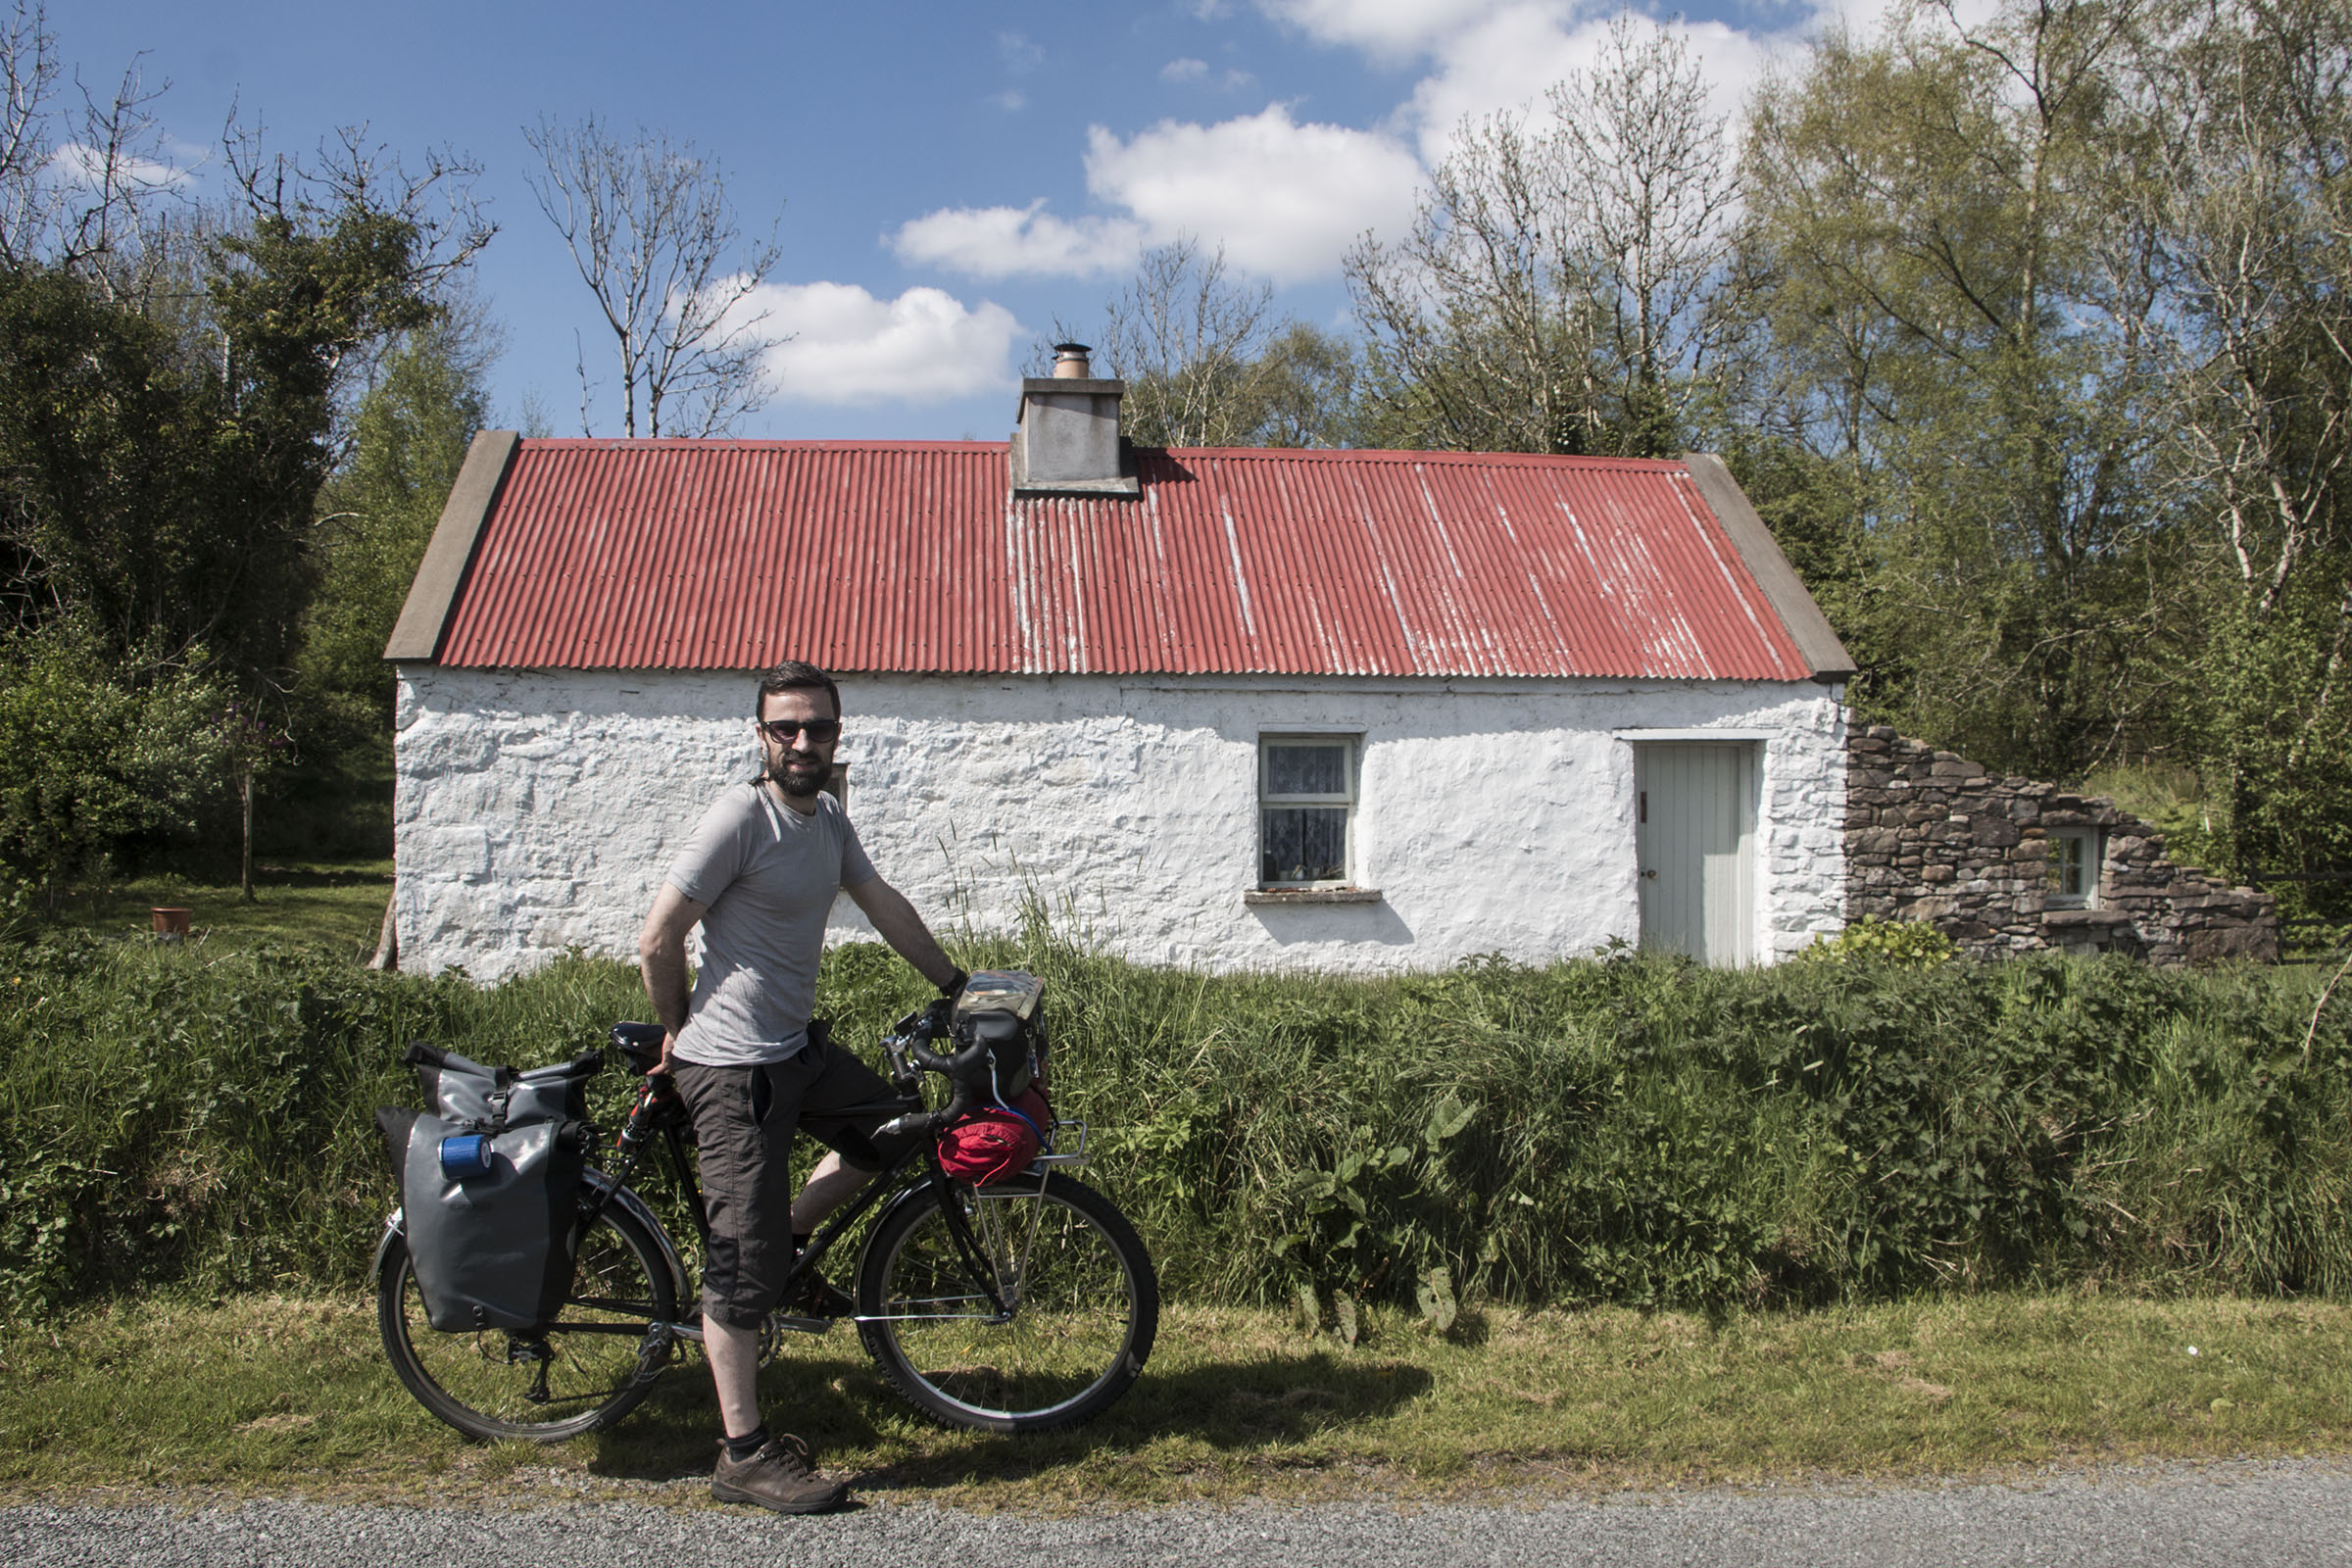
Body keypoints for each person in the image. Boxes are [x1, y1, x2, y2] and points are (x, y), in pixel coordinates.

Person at [637, 661, 963, 1515]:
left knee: (896, 1126)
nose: (803, 742)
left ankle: (784, 1245)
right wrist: (677, 1034)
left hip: (796, 1051)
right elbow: (657, 938)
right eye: (786, 728)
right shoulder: (740, 817)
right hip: (734, 1065)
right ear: (762, 737)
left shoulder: (827, 824)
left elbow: (879, 900)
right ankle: (742, 1453)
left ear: (837, 734)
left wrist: (954, 982)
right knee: (740, 1265)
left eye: (817, 727)